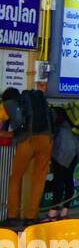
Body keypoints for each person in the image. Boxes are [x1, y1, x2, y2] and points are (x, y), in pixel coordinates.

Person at [2, 86, 52, 225]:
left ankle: (12, 216)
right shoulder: (37, 99)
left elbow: (8, 121)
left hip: (28, 141)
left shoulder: (9, 103)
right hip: (46, 139)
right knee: (39, 179)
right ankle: (30, 217)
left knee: (16, 178)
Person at [47, 107, 79, 220]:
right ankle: (65, 210)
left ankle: (53, 211)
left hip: (62, 156)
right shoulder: (72, 126)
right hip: (74, 155)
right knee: (68, 180)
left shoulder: (60, 128)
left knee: (59, 182)